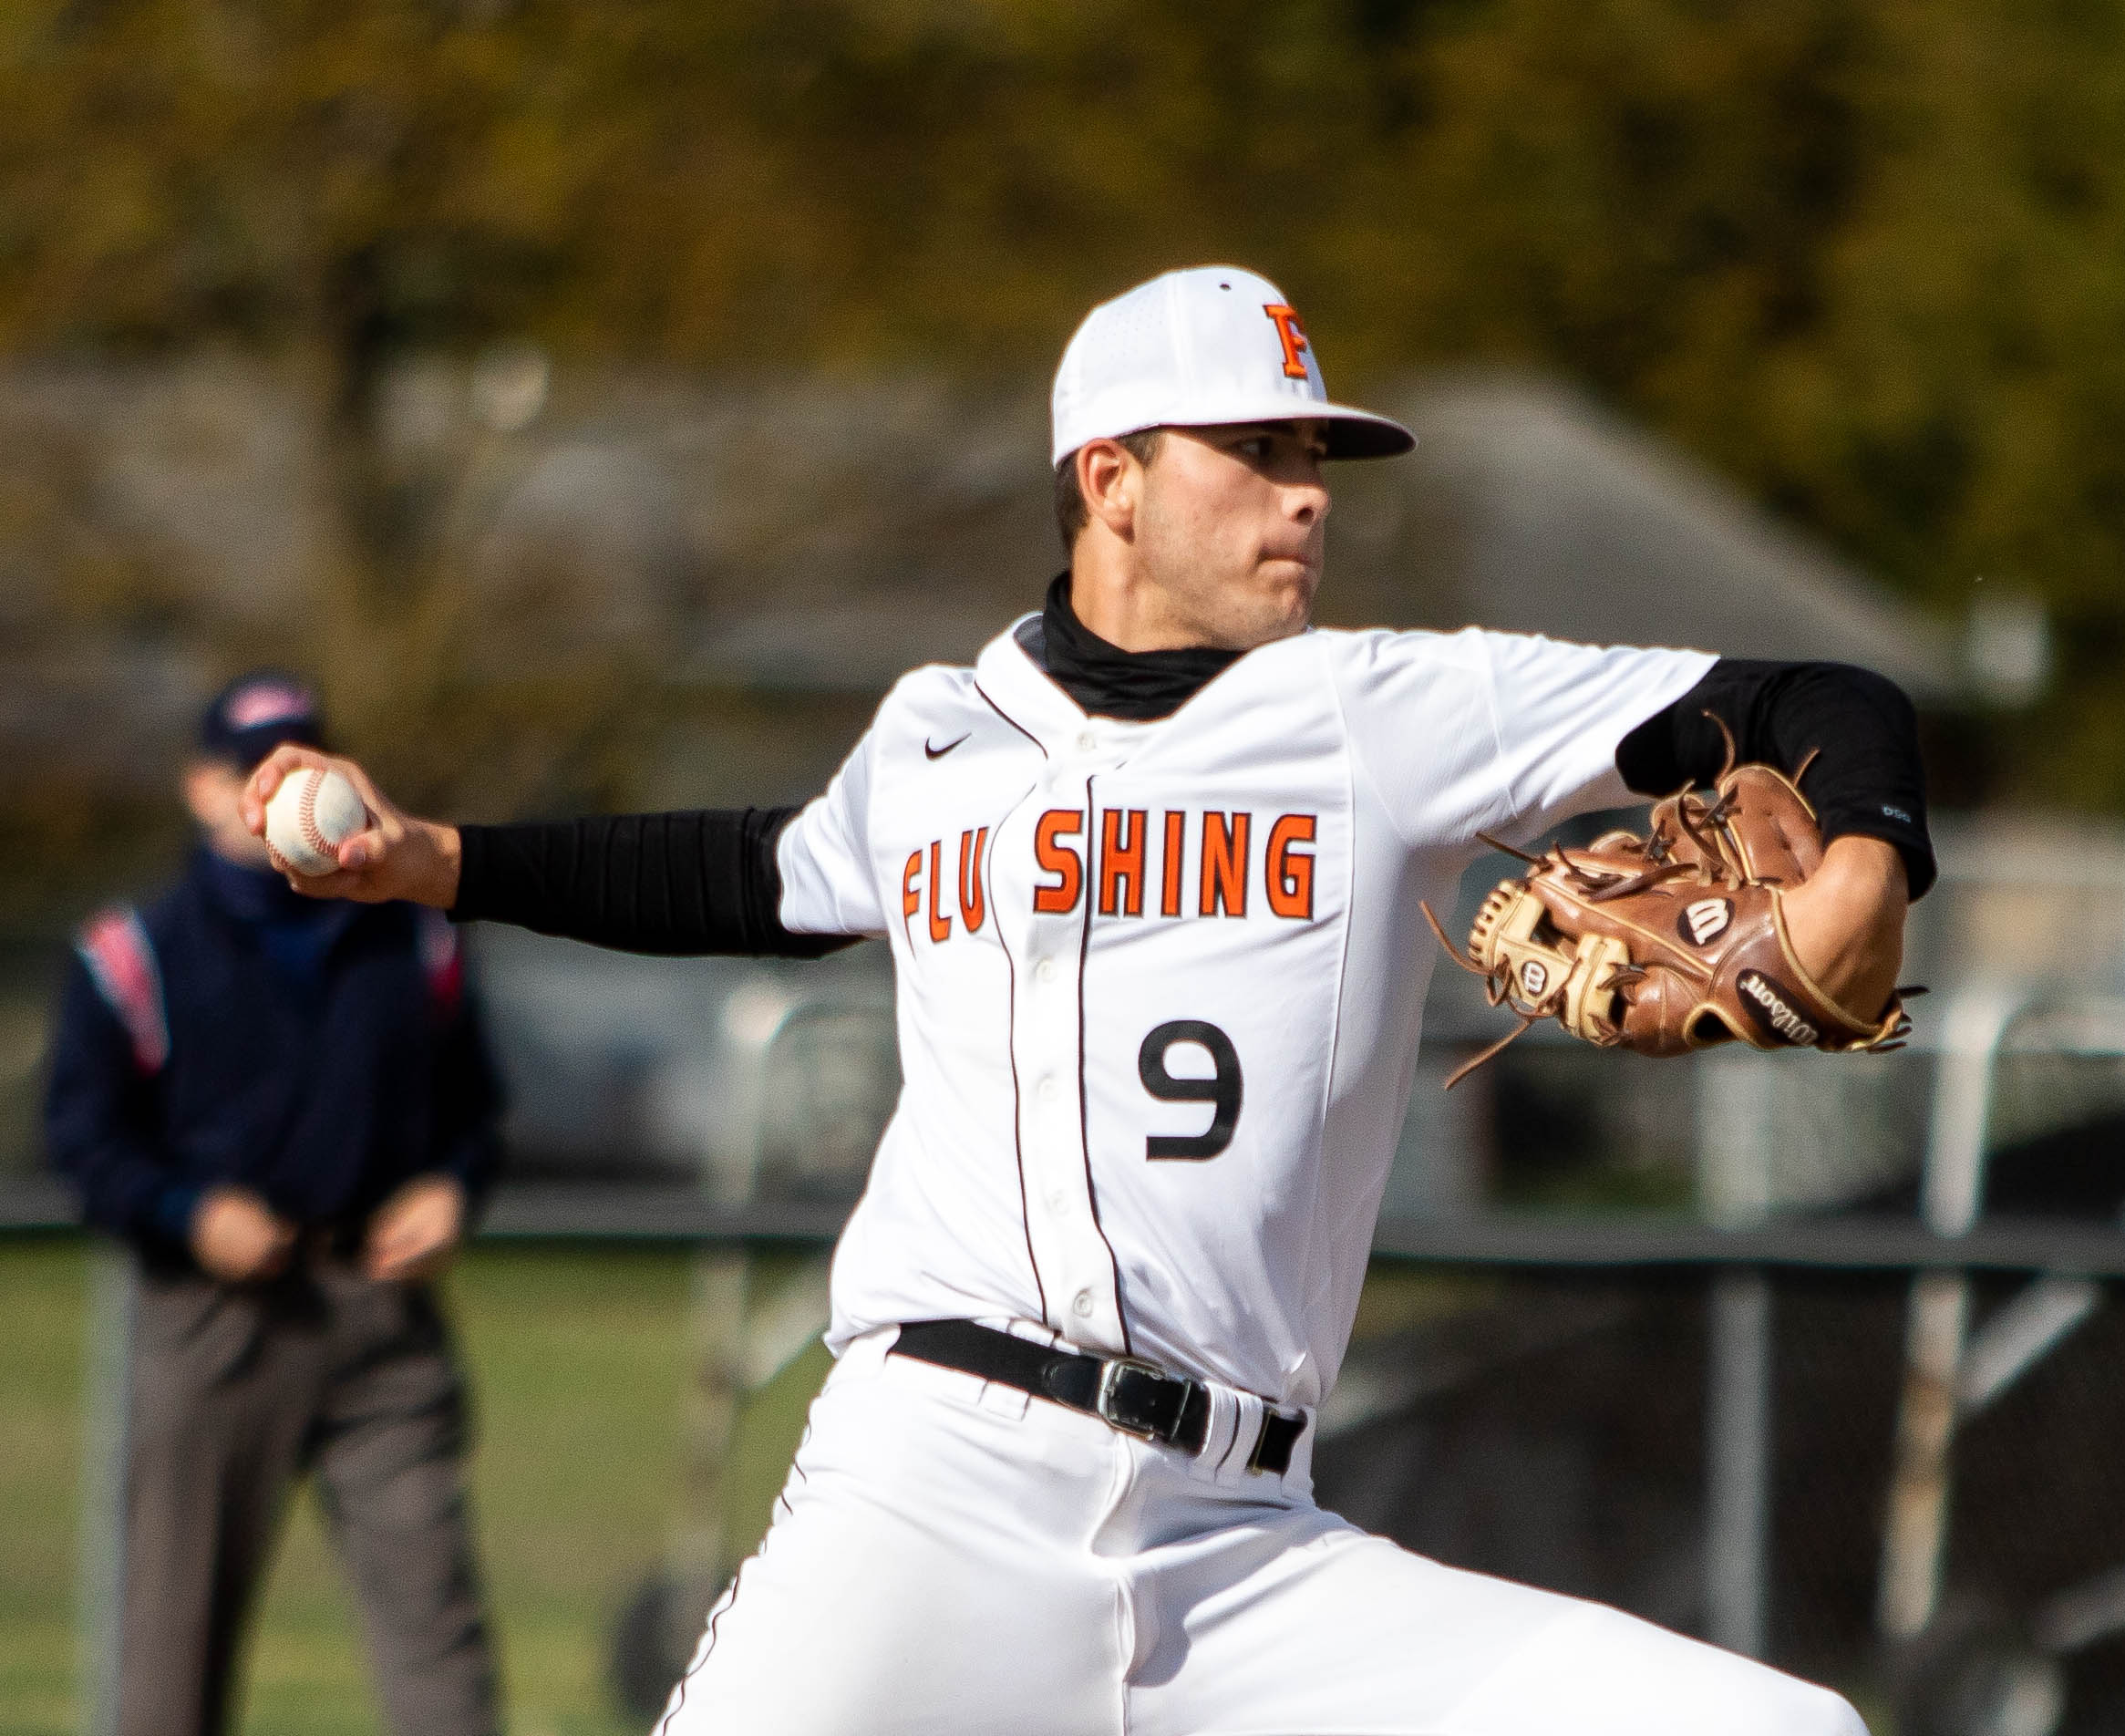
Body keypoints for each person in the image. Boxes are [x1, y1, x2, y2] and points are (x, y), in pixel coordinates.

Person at [248, 265, 1931, 1734]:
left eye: (1314, 456)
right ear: (1110, 480)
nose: (1307, 494)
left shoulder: (1384, 709)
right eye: (1257, 449)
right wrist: (436, 858)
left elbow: (1810, 692)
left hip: (1245, 1543)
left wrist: (1864, 856)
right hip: (938, 1486)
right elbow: (753, 875)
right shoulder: (938, 734)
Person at [45, 672, 504, 1736]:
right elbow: (83, 1137)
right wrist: (185, 1208)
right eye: (246, 766)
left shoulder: (416, 936)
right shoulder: (134, 950)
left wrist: (452, 1188)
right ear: (202, 790)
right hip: (214, 1318)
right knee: (169, 1657)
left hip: (377, 1307)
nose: (274, 784)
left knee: (441, 1648)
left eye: (296, 756)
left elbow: (474, 1111)